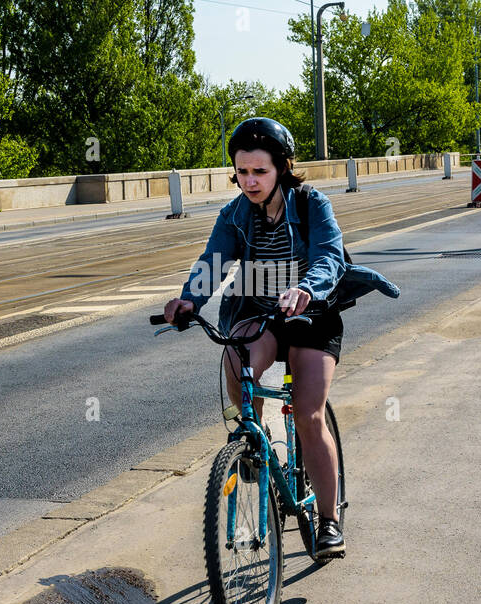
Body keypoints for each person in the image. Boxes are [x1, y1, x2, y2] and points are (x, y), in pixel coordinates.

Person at [164, 117, 397, 558]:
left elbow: (329, 256)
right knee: (237, 360)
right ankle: (256, 442)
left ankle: (328, 521)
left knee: (309, 415)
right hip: (265, 315)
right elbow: (213, 261)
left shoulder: (311, 204)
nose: (249, 181)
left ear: (283, 168)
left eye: (260, 172)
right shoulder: (235, 214)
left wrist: (306, 288)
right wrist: (189, 300)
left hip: (314, 314)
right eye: (241, 172)